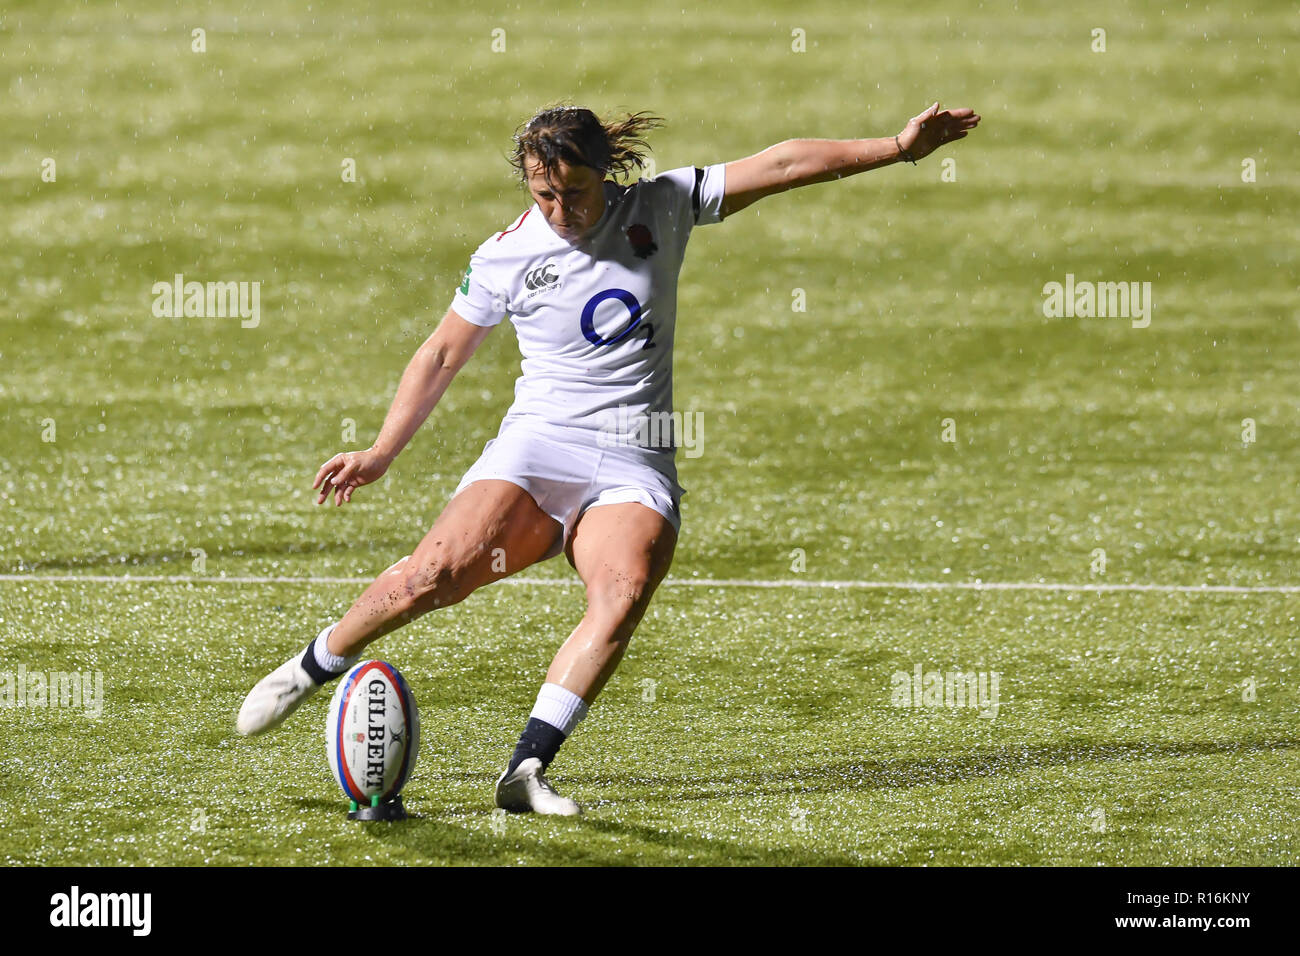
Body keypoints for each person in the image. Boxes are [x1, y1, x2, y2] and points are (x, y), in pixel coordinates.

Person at [236, 101, 981, 814]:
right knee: (435, 575)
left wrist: (897, 149)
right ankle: (316, 664)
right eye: (544, 194)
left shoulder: (659, 205)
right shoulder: (505, 255)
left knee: (622, 590)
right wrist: (381, 450)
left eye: (575, 192)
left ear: (606, 173)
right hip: (537, 447)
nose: (561, 211)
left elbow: (782, 163)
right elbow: (440, 354)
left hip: (635, 456)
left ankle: (525, 768)